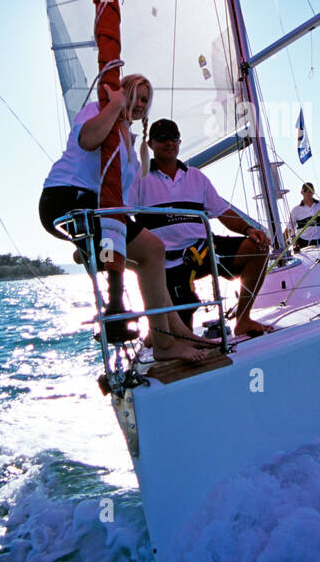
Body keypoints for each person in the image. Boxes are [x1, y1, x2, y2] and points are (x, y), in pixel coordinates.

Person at [39, 77, 208, 363]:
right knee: (153, 249)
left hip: (94, 208)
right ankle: (165, 346)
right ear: (121, 93)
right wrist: (114, 105)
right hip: (67, 198)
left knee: (150, 260)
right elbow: (88, 139)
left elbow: (124, 201)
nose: (140, 104)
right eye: (135, 96)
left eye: (145, 100)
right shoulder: (97, 110)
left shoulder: (131, 147)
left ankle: (176, 332)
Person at [127, 119, 273, 337]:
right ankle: (157, 332)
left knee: (259, 247)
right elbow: (118, 214)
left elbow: (221, 211)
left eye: (173, 137)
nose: (169, 142)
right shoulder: (139, 179)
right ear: (151, 145)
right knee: (180, 334)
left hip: (205, 251)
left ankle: (243, 320)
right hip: (166, 262)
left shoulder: (196, 176)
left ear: (180, 141)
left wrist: (247, 229)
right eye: (162, 138)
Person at [289, 182, 320, 248]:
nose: (308, 193)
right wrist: (291, 241)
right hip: (302, 244)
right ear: (302, 192)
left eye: (310, 190)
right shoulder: (295, 210)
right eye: (305, 190)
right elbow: (290, 227)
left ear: (313, 192)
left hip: (318, 243)